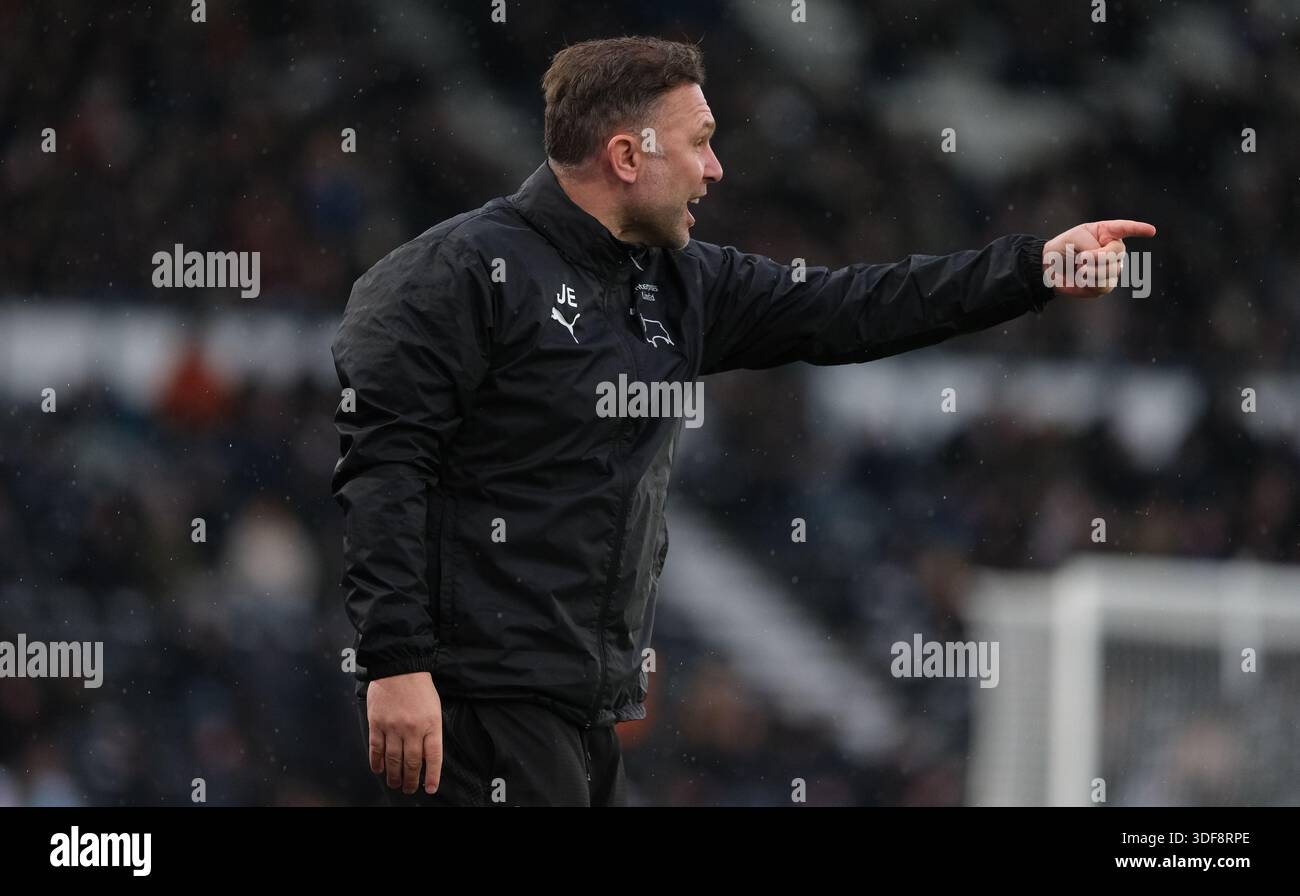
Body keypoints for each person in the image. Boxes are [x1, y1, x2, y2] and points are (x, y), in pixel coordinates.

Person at [331, 35, 1155, 806]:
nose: (716, 169)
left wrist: (1032, 268)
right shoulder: (456, 274)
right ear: (627, 156)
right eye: (699, 142)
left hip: (582, 705)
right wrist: (398, 666)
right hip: (478, 700)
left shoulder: (681, 284)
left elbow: (851, 307)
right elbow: (385, 470)